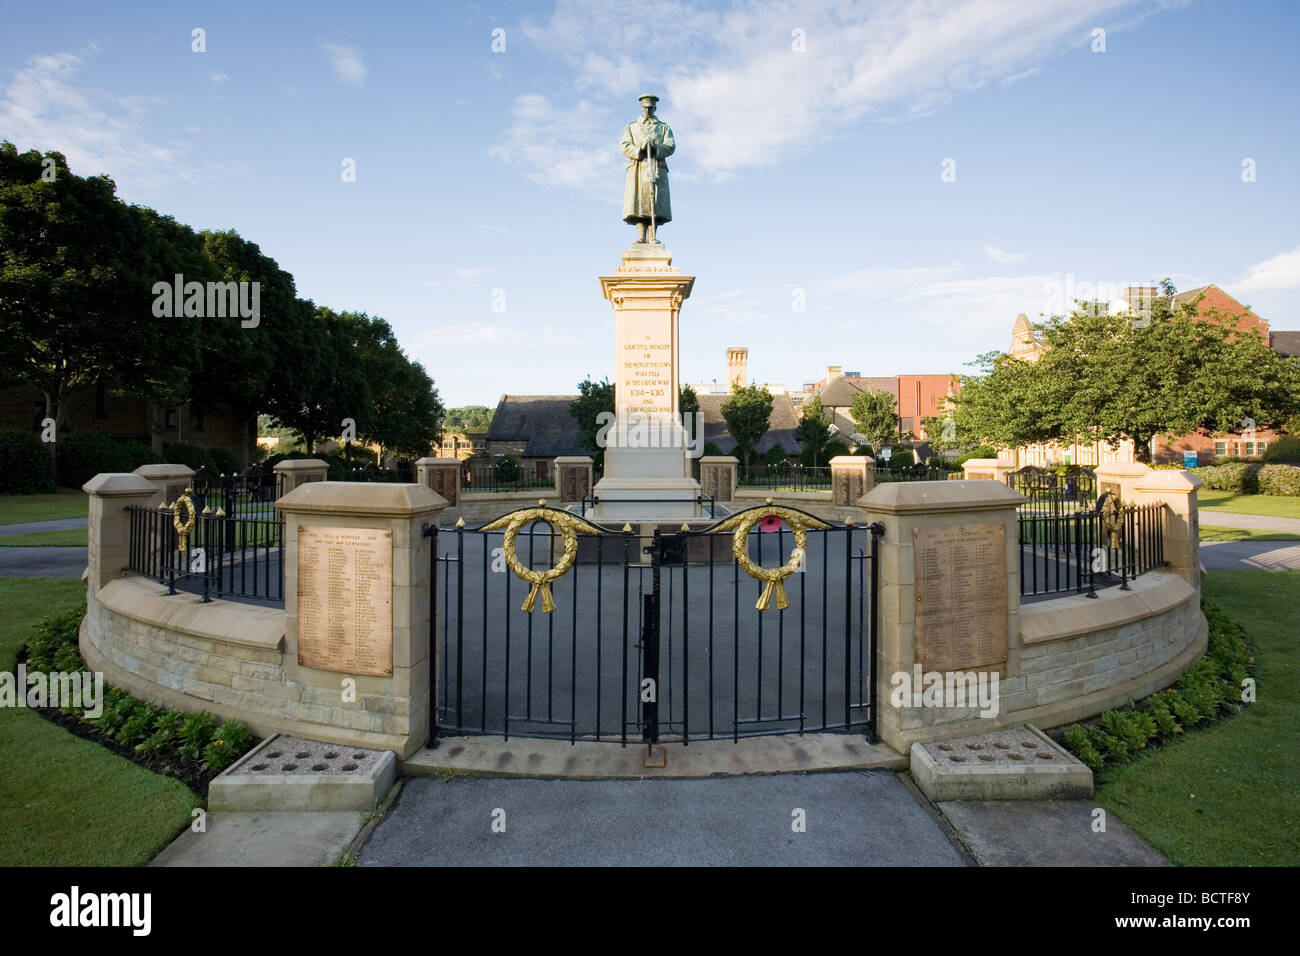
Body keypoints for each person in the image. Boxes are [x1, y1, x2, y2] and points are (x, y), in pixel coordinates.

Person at [620, 94, 674, 244]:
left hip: (655, 167)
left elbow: (670, 146)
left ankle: (653, 237)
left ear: (655, 108)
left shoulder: (663, 128)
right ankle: (640, 238)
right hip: (638, 168)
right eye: (645, 108)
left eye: (650, 108)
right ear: (641, 108)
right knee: (639, 202)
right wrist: (639, 148)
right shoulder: (632, 127)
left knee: (654, 202)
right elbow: (624, 146)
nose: (648, 111)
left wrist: (657, 148)